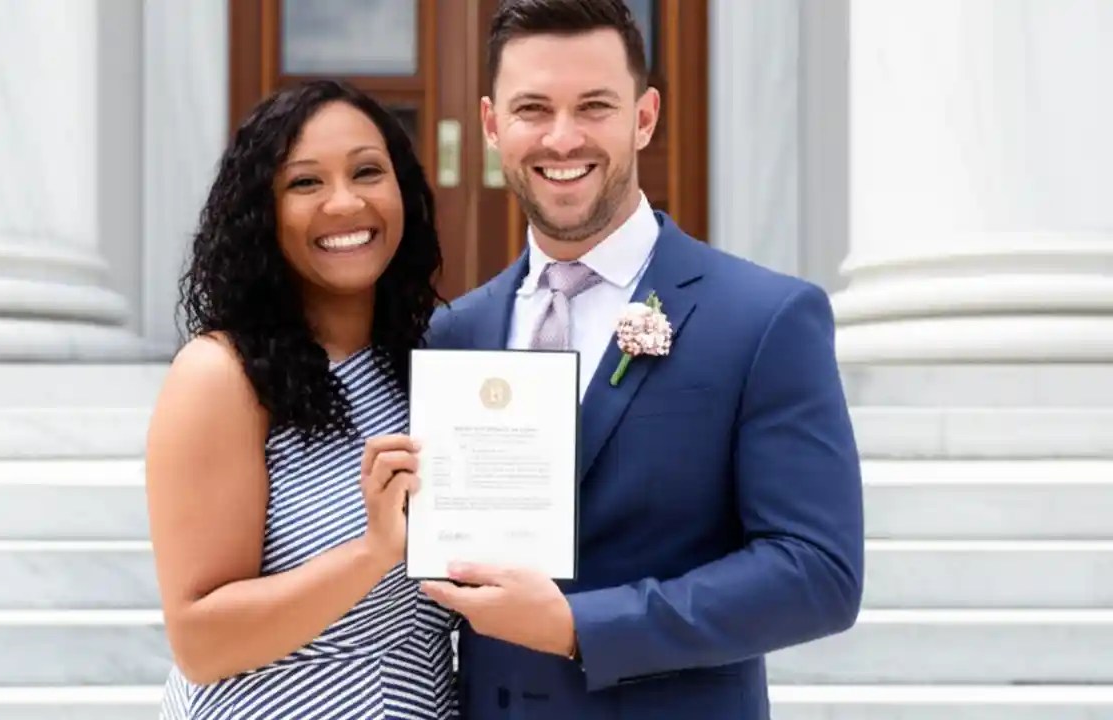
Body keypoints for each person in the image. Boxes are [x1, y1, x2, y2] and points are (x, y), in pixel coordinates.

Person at [419, 1, 865, 717]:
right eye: (533, 108)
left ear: (645, 117)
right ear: (492, 126)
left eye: (594, 106)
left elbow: (818, 574)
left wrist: (578, 628)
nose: (563, 138)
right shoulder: (453, 334)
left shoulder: (765, 319)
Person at [145, 79, 456, 719]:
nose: (345, 203)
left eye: (368, 172)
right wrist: (373, 553)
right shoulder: (222, 377)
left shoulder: (424, 368)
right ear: (263, 212)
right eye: (306, 183)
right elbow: (201, 643)